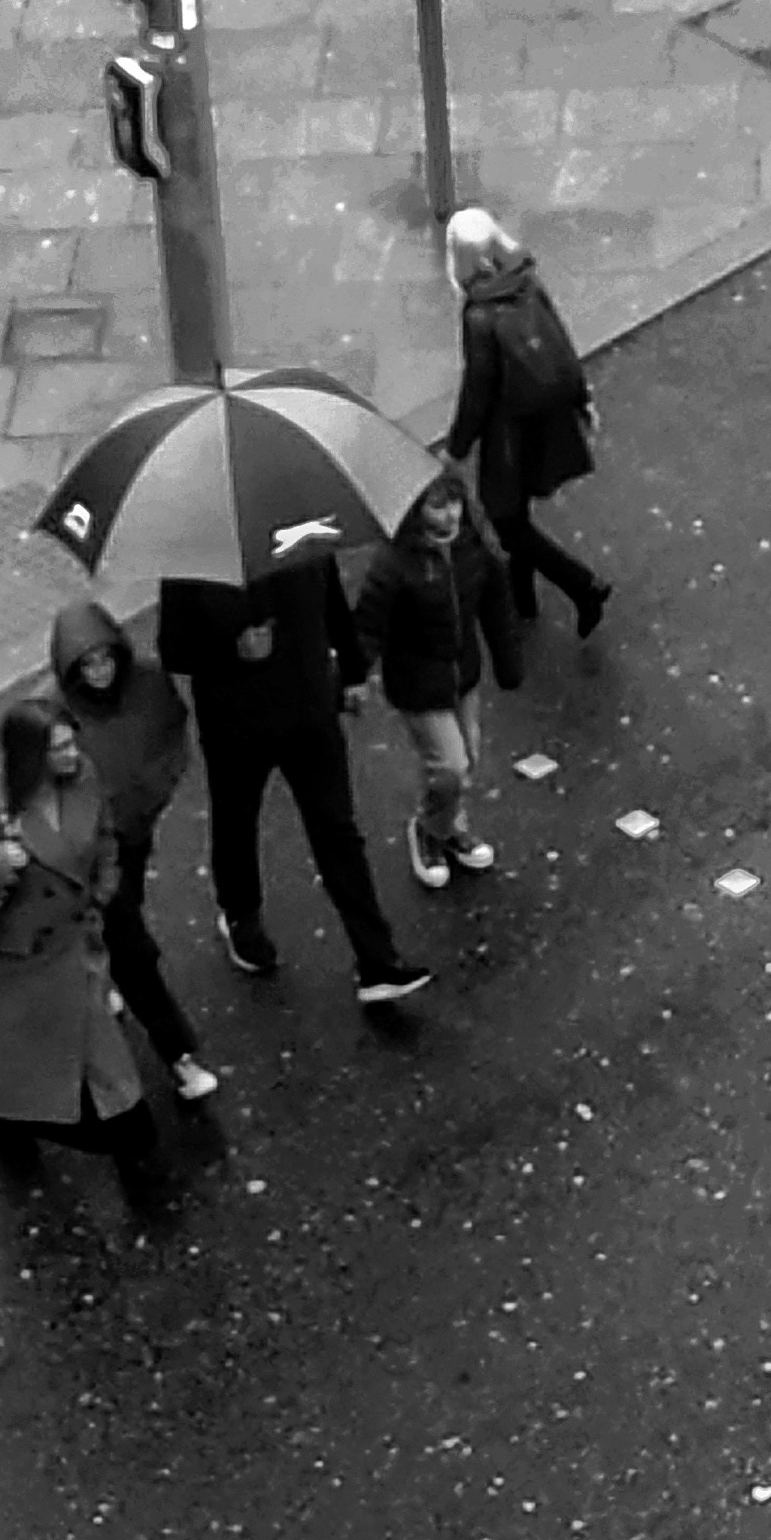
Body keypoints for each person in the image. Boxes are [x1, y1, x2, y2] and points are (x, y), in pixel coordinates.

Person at [156, 562, 431, 1007]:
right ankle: (241, 915)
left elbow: (332, 602)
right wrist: (233, 651)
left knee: (338, 833)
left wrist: (355, 670)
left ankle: (378, 961)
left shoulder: (302, 535)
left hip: (310, 715)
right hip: (237, 727)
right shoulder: (194, 567)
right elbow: (175, 648)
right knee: (237, 821)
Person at [0, 701, 174, 1161]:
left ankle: (76, 1132)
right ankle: (9, 1122)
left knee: (113, 1083)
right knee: (18, 1069)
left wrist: (101, 892)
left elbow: (105, 837)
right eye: (59, 748)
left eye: (72, 742)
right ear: (30, 754)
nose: (72, 754)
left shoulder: (80, 777)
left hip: (72, 949)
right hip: (14, 963)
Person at [44, 594, 217, 1102]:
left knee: (123, 927)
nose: (99, 671)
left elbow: (169, 740)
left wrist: (144, 801)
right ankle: (177, 1054)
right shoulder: (52, 714)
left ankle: (104, 980)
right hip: (89, 855)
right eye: (87, 663)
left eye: (105, 658)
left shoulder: (147, 687)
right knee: (133, 947)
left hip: (131, 839)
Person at [441, 207, 610, 637]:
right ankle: (523, 597)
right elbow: (561, 341)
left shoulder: (478, 315)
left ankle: (581, 585)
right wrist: (582, 397)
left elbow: (478, 389)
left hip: (507, 434)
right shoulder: (526, 280)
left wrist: (457, 447)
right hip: (545, 419)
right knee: (518, 512)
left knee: (506, 521)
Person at [354, 471, 524, 893]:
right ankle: (430, 830)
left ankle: (451, 827)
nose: (449, 515)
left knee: (468, 758)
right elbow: (369, 626)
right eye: (436, 505)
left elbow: (496, 603)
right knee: (451, 768)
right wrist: (354, 677)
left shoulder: (473, 549)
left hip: (462, 676)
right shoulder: (394, 564)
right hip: (418, 685)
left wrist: (508, 662)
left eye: (454, 503)